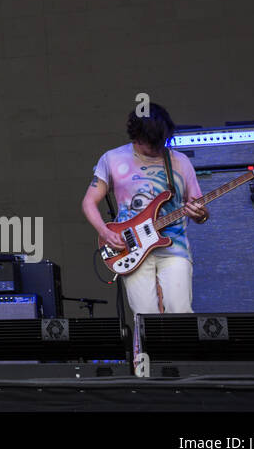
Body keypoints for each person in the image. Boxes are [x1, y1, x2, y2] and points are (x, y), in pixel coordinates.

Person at [82, 103, 208, 314]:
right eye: (151, 143)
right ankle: (145, 349)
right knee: (145, 314)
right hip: (131, 248)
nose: (158, 148)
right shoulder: (112, 159)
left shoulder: (181, 161)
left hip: (174, 247)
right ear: (136, 137)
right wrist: (105, 232)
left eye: (162, 141)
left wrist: (201, 214)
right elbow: (88, 202)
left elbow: (200, 211)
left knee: (181, 310)